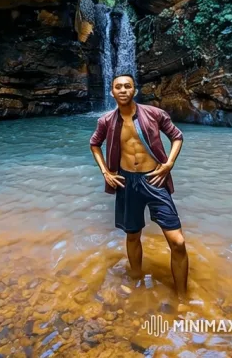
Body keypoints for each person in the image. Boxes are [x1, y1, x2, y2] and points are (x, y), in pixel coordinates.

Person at [89, 73, 189, 298]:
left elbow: (177, 136)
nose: (123, 90)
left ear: (135, 90)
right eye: (118, 87)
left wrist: (169, 164)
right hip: (126, 182)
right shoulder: (105, 121)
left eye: (127, 86)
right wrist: (105, 172)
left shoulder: (154, 114)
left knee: (178, 241)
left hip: (155, 179)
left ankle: (182, 295)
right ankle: (136, 282)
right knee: (132, 235)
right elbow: (94, 144)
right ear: (112, 92)